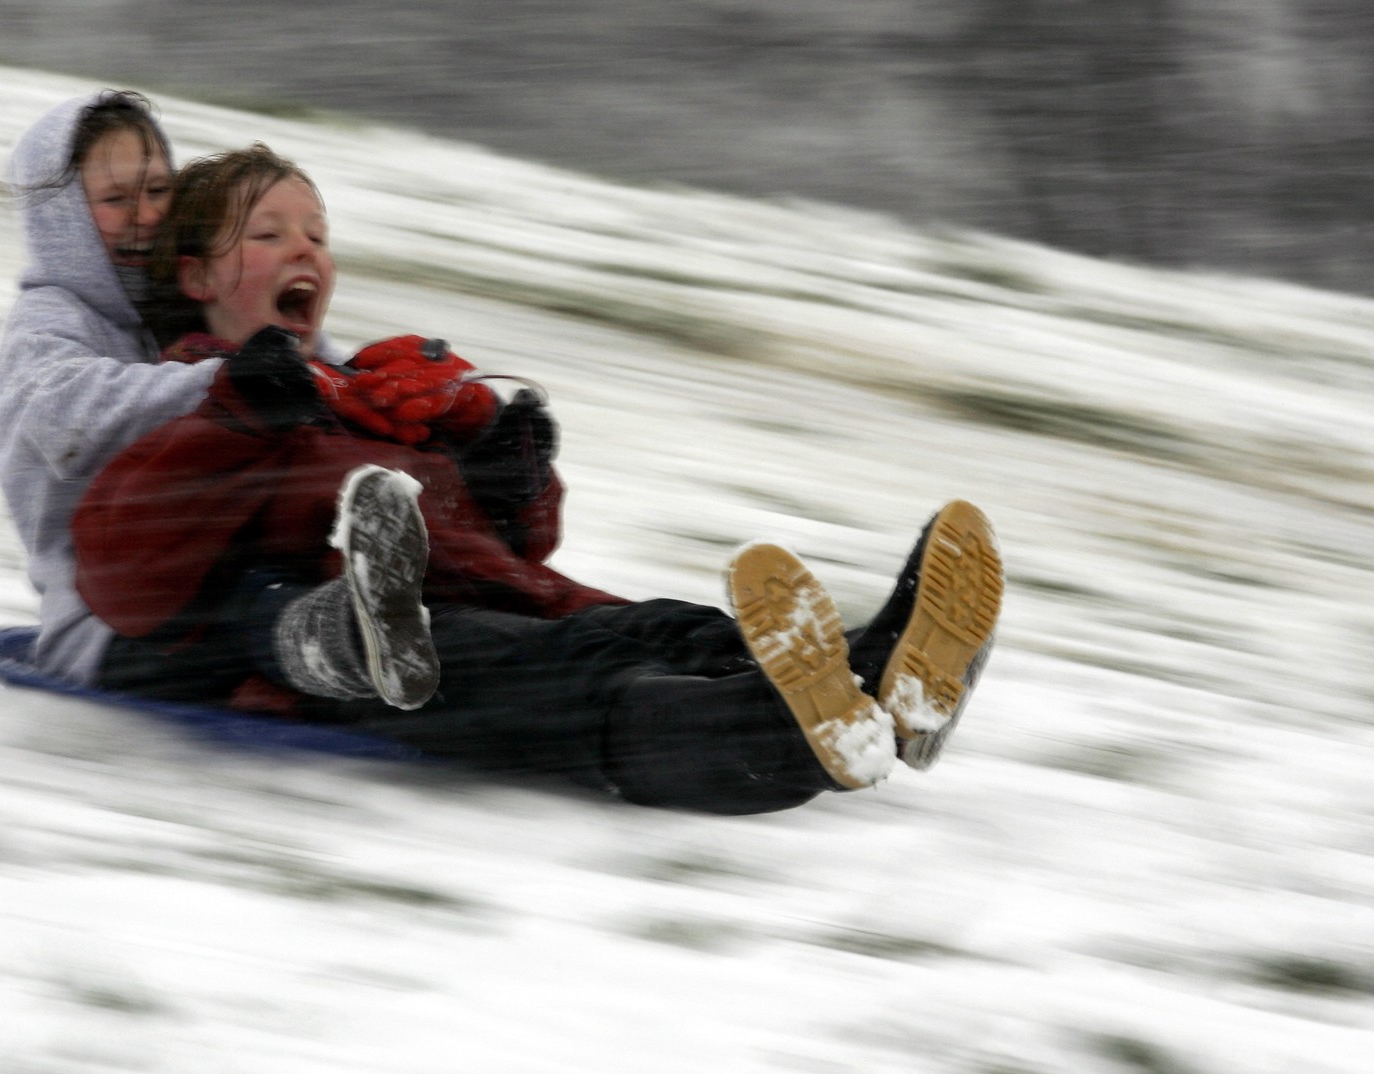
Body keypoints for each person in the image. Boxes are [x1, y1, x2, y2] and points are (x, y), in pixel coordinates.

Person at [70, 144, 1007, 814]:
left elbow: (503, 552)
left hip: (490, 601)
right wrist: (242, 414)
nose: (307, 249)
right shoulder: (188, 398)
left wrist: (508, 476)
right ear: (195, 276)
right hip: (354, 643)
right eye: (268, 233)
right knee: (559, 680)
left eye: (317, 231)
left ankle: (885, 678)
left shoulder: (358, 394)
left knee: (651, 626)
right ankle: (783, 734)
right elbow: (121, 567)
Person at [0, 91, 439, 712]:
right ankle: (344, 644)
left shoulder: (187, 301)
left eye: (158, 190)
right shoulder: (48, 324)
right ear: (61, 219)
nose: (145, 215)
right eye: (115, 200)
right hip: (112, 627)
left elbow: (322, 381)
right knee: (256, 608)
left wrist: (435, 410)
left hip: (219, 578)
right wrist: (228, 385)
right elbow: (65, 417)